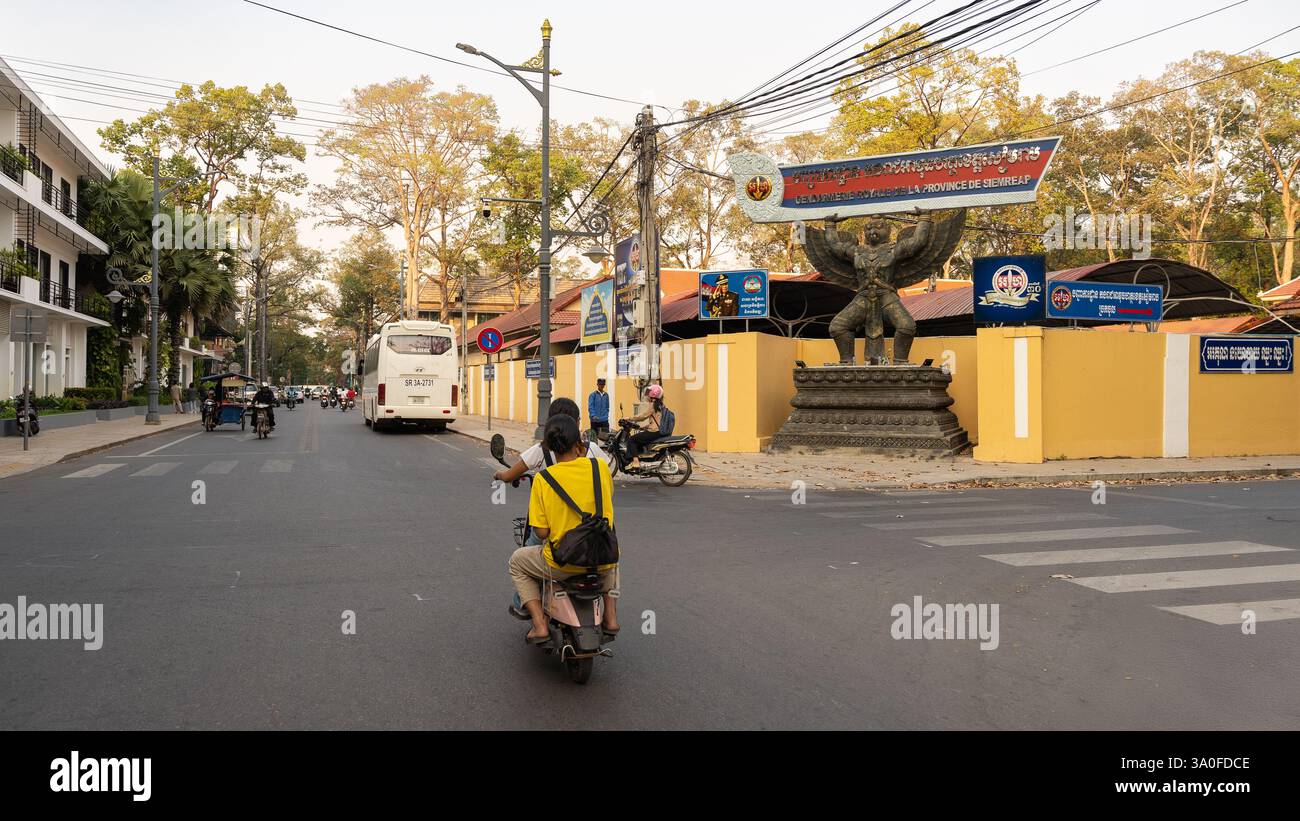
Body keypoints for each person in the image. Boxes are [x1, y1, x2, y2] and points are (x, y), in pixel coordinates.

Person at [508, 414, 619, 643]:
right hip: (601, 558)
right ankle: (611, 617)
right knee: (613, 558)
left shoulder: (544, 479)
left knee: (517, 562)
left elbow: (541, 533)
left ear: (549, 447)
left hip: (562, 563)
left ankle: (539, 624)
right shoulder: (599, 467)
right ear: (578, 444)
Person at [622, 384, 667, 469]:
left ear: (653, 394)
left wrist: (629, 418)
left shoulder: (653, 405)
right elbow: (656, 421)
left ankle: (635, 462)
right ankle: (641, 458)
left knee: (632, 439)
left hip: (654, 432)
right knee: (640, 437)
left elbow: (643, 416)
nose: (648, 396)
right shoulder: (661, 405)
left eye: (649, 393)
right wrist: (645, 427)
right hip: (659, 432)